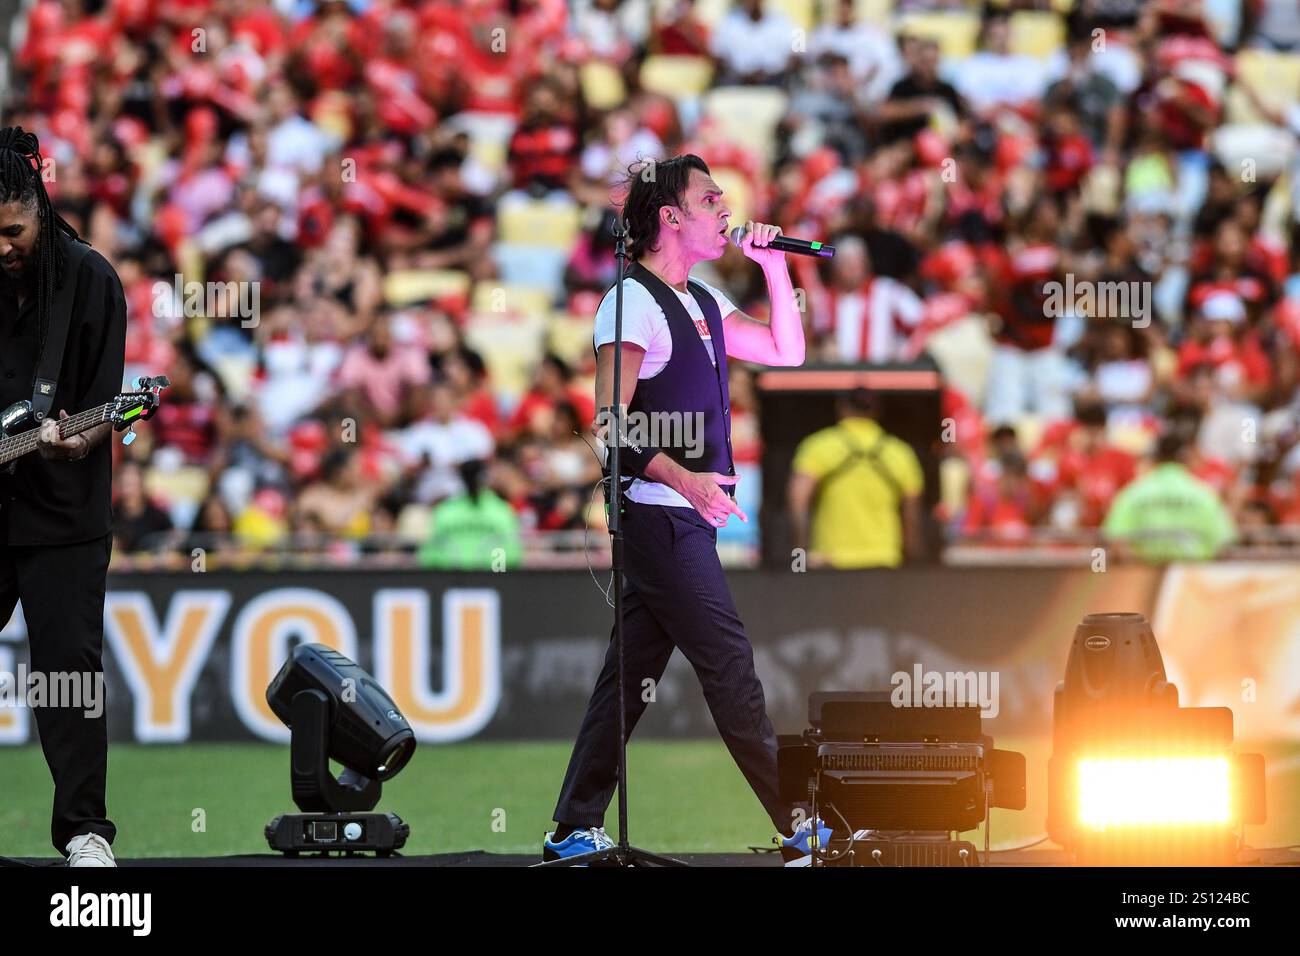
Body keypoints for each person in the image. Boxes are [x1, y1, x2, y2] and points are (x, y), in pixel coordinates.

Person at [545, 154, 820, 860]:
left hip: (680, 515)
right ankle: (798, 822)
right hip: (661, 514)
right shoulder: (631, 300)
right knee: (729, 663)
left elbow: (787, 352)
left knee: (626, 681)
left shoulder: (701, 298)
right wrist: (689, 479)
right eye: (711, 198)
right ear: (671, 216)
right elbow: (610, 420)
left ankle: (574, 825)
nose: (727, 208)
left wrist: (774, 266)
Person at [0, 128, 127, 866]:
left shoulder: (89, 279)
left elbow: (101, 407)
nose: (2, 247)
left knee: (67, 678)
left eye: (12, 231)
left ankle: (84, 833)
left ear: (38, 209)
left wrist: (78, 439)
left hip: (63, 513)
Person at [787, 388, 924, 568]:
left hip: (830, 561)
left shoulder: (819, 446)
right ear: (877, 411)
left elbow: (798, 501)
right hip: (884, 559)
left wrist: (801, 550)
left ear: (841, 408)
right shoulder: (900, 452)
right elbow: (911, 513)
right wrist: (913, 558)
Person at [1102, 433, 1236, 561]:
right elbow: (1223, 545)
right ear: (1185, 458)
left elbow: (1116, 542)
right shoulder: (1205, 495)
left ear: (1154, 458)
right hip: (1191, 578)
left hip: (1141, 577)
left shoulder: (1132, 494)